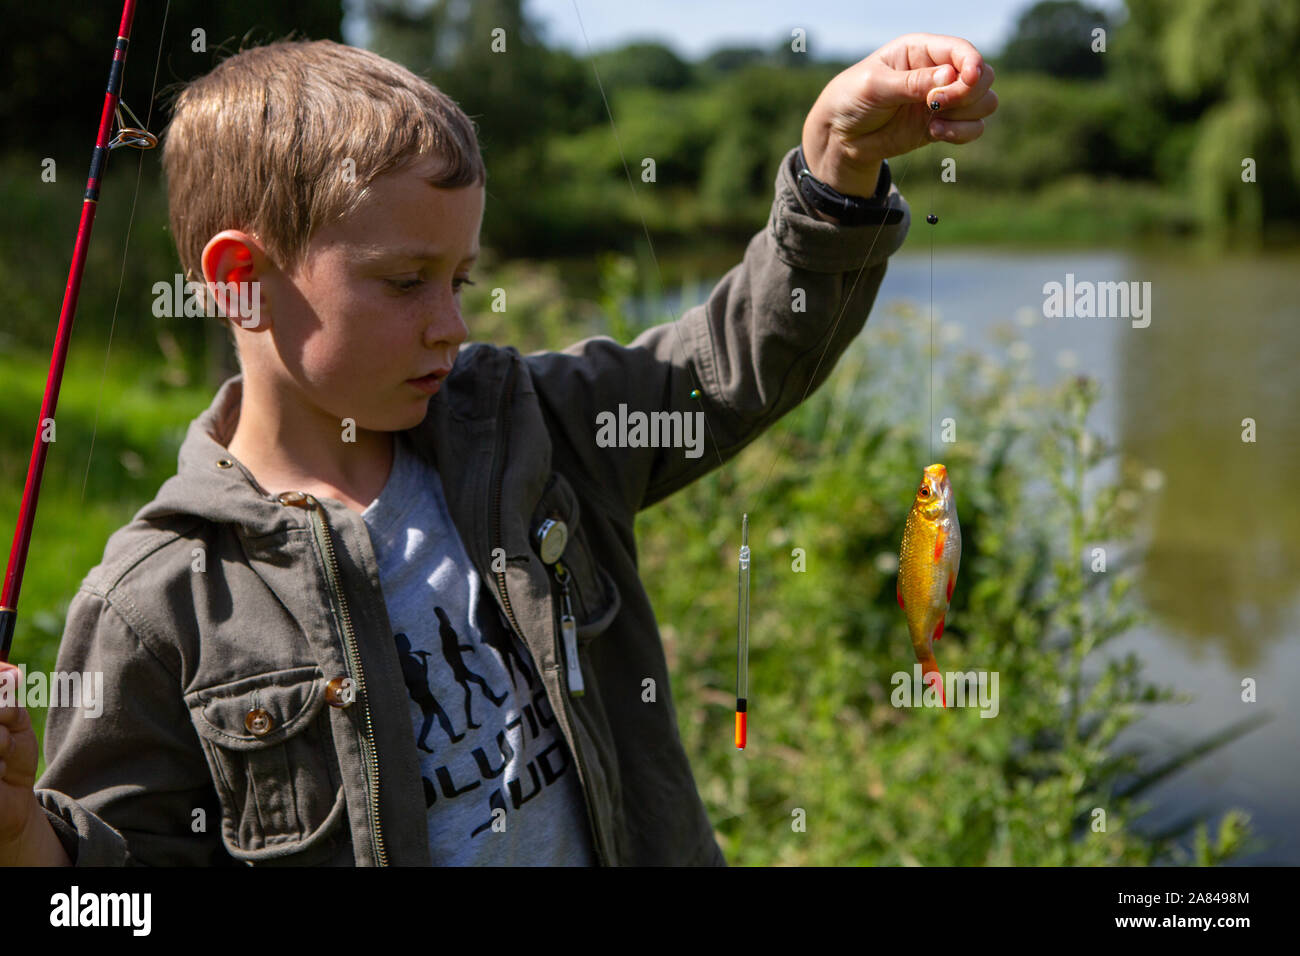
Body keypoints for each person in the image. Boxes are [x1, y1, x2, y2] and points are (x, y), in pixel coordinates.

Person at [0, 33, 995, 866]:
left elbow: (737, 363)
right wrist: (27, 838)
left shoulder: (530, 424)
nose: (449, 324)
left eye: (461, 280)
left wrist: (836, 168)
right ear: (241, 279)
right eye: (405, 282)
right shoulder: (151, 604)